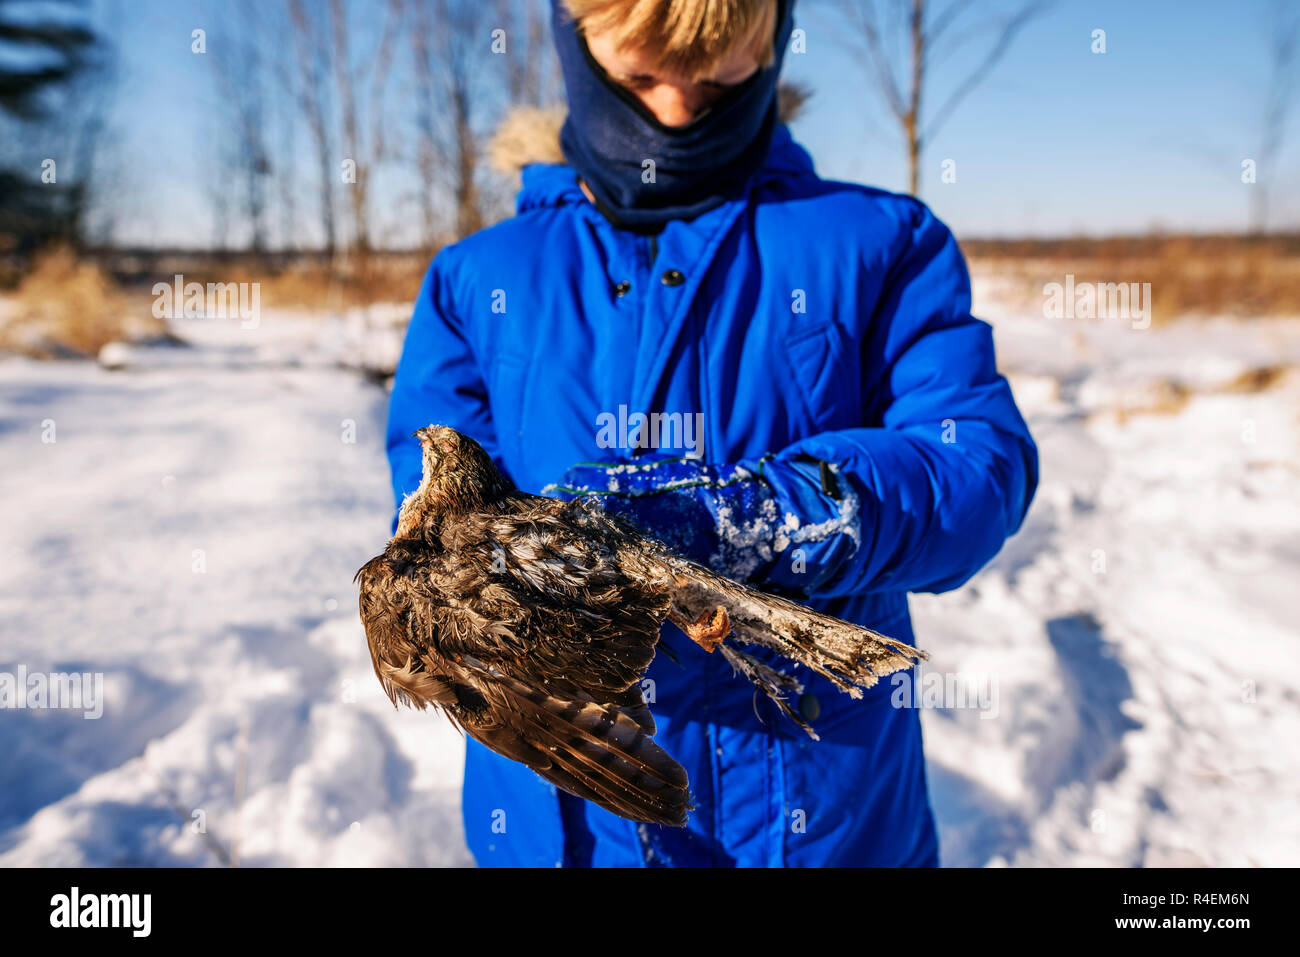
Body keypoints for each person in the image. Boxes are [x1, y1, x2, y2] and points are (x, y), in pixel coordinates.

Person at [385, 0, 1038, 867]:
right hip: (567, 826)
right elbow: (432, 504)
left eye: (717, 72)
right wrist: (490, 591)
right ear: (574, 47)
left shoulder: (882, 244)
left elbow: (978, 467)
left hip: (823, 817)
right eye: (642, 72)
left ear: (771, 44)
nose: (677, 108)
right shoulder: (479, 280)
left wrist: (769, 516)